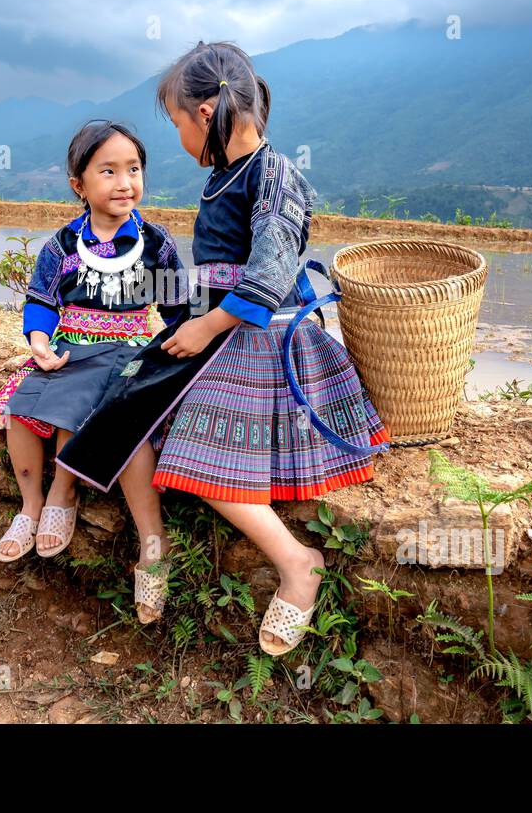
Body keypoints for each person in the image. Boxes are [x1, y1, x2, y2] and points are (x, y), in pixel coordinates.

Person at [57, 43, 390, 654]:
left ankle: (297, 563)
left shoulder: (275, 173)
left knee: (202, 459)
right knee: (129, 395)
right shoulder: (222, 179)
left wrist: (204, 329)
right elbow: (209, 277)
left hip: (265, 338)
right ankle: (134, 537)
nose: (180, 135)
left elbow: (263, 276)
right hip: (218, 330)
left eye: (179, 121)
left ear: (205, 112)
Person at [0, 119, 186, 622]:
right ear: (80, 185)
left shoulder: (156, 244)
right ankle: (35, 505)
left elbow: (180, 309)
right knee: (24, 408)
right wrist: (39, 342)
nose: (124, 183)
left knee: (125, 426)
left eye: (133, 170)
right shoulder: (62, 247)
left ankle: (152, 546)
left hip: (133, 354)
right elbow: (41, 302)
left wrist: (184, 348)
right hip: (73, 351)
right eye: (108, 171)